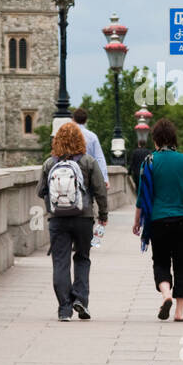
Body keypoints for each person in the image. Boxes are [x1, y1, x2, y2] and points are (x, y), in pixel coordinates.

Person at [132, 119, 183, 322]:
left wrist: (137, 222)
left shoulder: (148, 162)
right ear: (174, 139)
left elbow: (141, 197)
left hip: (158, 221)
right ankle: (180, 312)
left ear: (155, 139)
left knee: (161, 261)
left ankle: (166, 294)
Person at [37, 121, 108, 321]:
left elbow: (40, 190)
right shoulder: (88, 162)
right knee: (82, 258)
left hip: (57, 219)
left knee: (60, 263)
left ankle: (64, 309)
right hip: (83, 218)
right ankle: (80, 299)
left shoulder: (50, 163)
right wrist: (103, 215)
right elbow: (101, 191)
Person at [71, 107, 109, 188]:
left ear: (73, 119)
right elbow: (99, 158)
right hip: (86, 176)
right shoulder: (92, 136)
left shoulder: (66, 135)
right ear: (85, 121)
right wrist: (104, 179)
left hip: (70, 175)